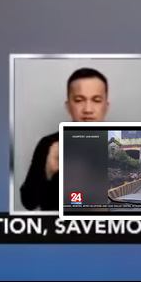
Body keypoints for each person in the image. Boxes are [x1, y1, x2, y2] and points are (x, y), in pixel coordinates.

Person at [19, 67, 111, 211]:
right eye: (79, 100)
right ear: (68, 107)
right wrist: (49, 170)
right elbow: (28, 203)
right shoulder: (49, 144)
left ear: (106, 106)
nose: (88, 109)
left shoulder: (124, 145)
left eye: (96, 100)